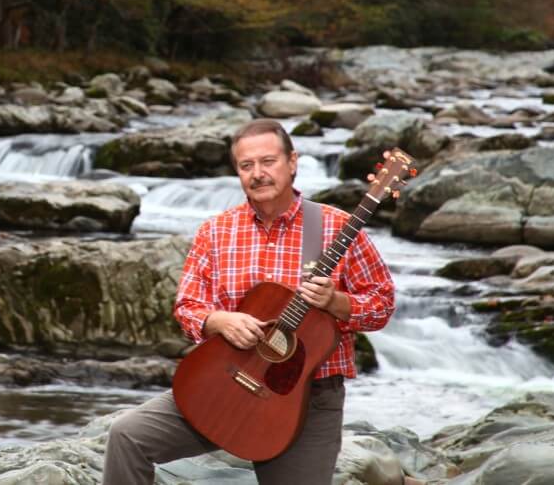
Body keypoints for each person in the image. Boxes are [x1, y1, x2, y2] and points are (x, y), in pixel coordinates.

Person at [103, 118, 396, 485]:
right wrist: (218, 322)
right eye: (247, 165)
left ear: (293, 162)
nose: (258, 174)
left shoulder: (336, 228)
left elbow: (381, 305)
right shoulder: (216, 231)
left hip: (304, 401)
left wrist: (337, 302)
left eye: (268, 161)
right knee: (127, 435)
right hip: (223, 380)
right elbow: (188, 306)